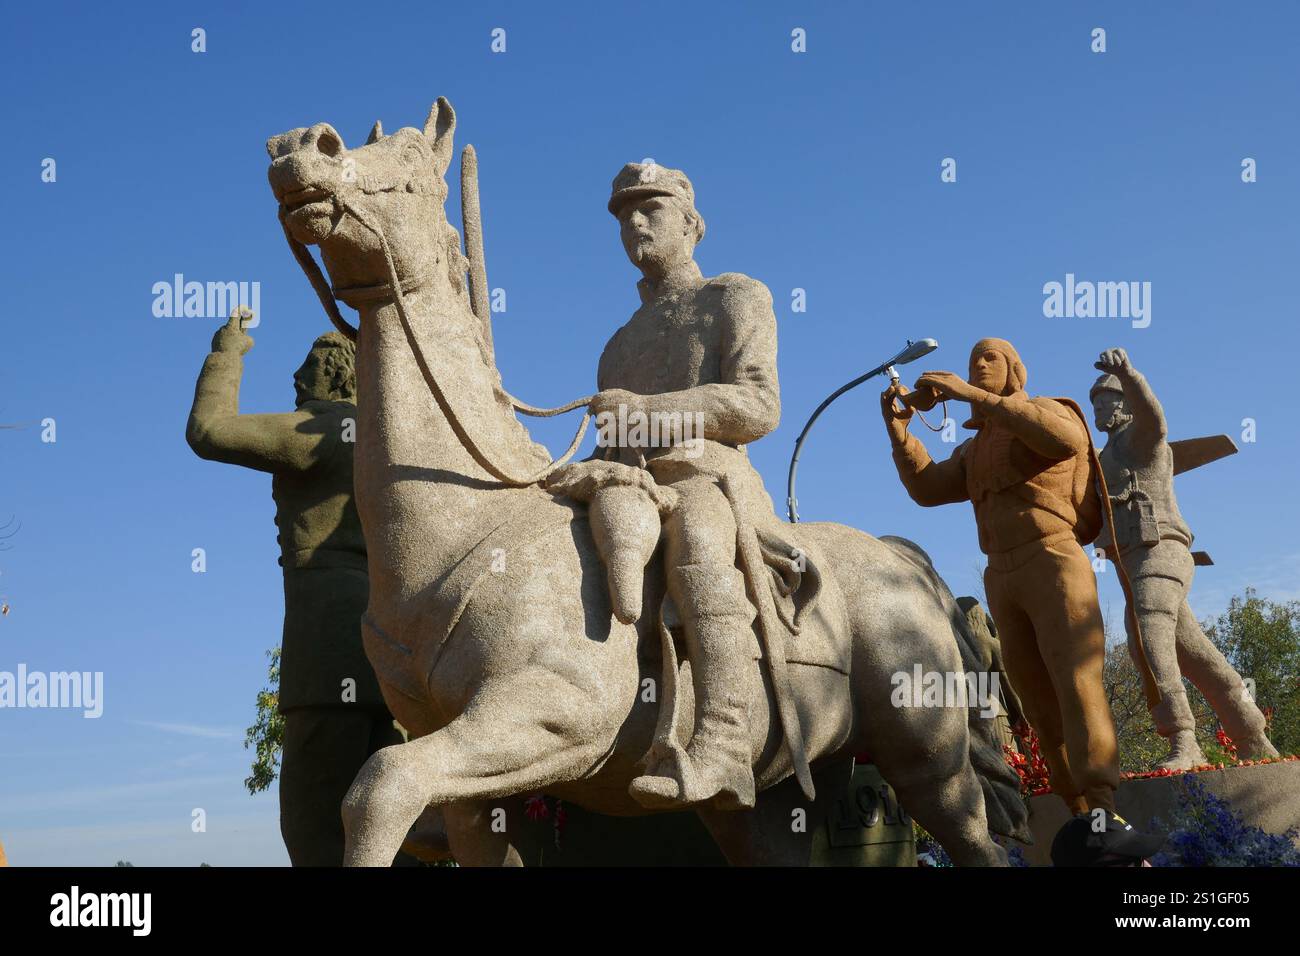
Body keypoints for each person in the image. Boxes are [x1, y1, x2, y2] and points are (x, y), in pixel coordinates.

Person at [590, 163, 782, 810]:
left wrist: (650, 413)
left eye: (650, 210)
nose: (634, 224)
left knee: (696, 527)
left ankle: (726, 744)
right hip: (631, 488)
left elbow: (758, 405)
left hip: (710, 480)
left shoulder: (734, 296)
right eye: (622, 216)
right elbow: (615, 441)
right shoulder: (617, 346)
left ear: (692, 225)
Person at [187, 309, 402, 865]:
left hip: (327, 645)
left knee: (314, 822)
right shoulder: (388, 439)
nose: (296, 378)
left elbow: (209, 431)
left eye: (307, 367)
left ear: (336, 374)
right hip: (389, 647)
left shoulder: (321, 430)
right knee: (385, 820)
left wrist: (227, 352)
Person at [1090, 347, 1277, 769]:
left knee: (1146, 636)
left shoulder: (1141, 440)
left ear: (1124, 405)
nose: (1099, 410)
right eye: (1095, 404)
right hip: (1130, 563)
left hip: (1161, 553)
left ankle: (1182, 739)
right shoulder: (1102, 458)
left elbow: (1156, 417)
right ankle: (1250, 733)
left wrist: (1130, 375)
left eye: (1106, 402)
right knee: (1195, 653)